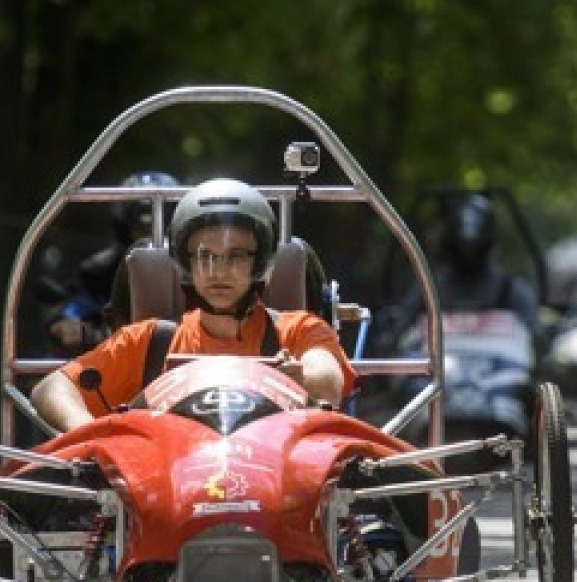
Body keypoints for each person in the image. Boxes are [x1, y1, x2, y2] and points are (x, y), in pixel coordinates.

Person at [31, 177, 354, 432]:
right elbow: (51, 389)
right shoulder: (150, 341)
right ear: (186, 263)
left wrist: (302, 380)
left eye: (236, 255)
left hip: (276, 497)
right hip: (166, 497)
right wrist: (93, 437)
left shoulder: (298, 329)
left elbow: (327, 382)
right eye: (205, 256)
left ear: (263, 262)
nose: (218, 270)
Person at [45, 171, 180, 355]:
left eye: (162, 227)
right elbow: (76, 307)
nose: (153, 237)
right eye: (142, 228)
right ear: (125, 229)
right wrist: (68, 324)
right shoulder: (100, 270)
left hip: (190, 365)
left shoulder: (199, 267)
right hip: (119, 361)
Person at [393, 193, 544, 349]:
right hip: (439, 369)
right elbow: (398, 333)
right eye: (463, 247)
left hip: (498, 369)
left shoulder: (510, 290)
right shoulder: (428, 290)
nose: (468, 254)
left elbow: (536, 337)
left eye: (475, 248)